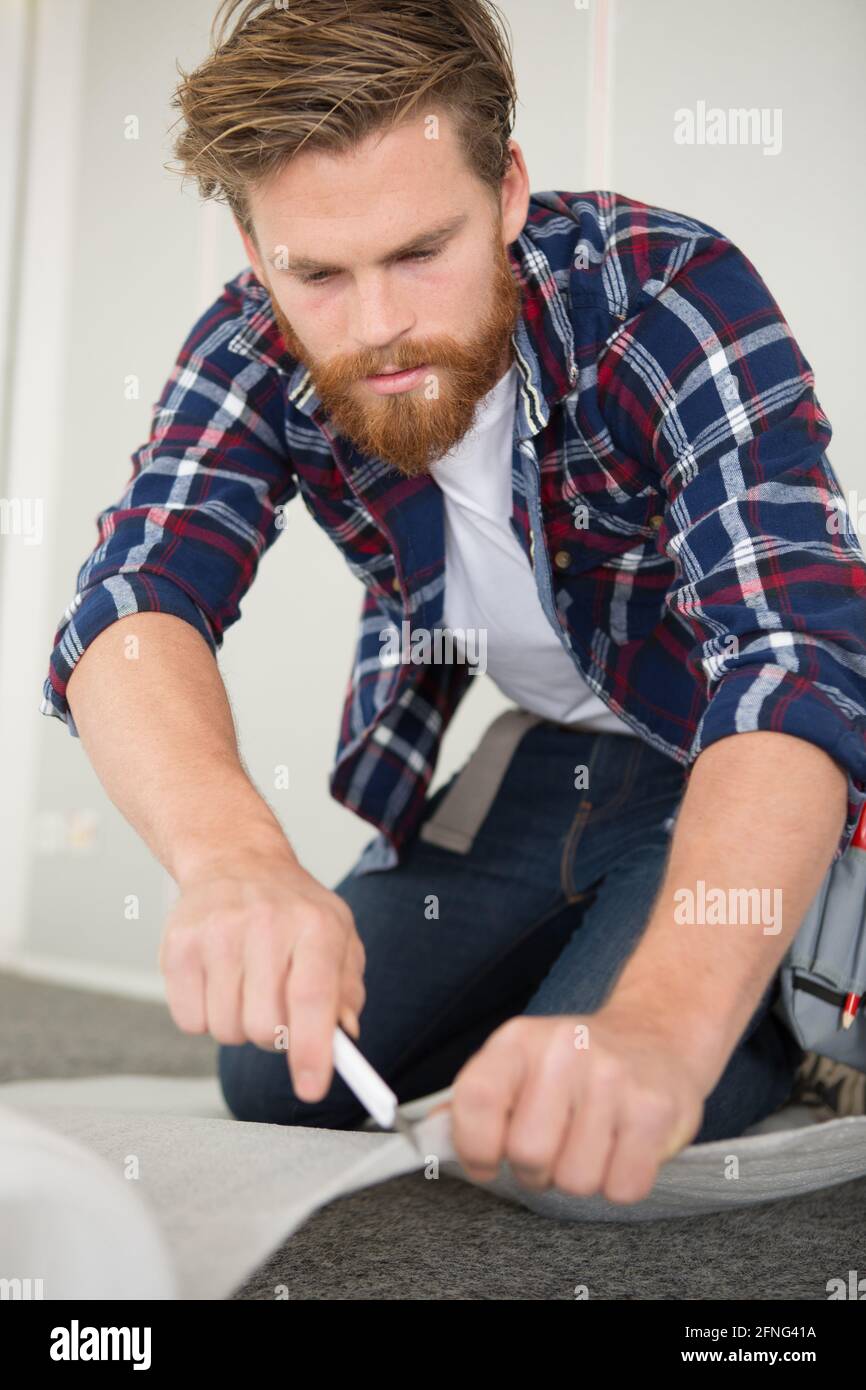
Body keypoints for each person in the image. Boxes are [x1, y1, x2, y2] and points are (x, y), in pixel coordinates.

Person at [42, 0, 866, 1205]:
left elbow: (795, 663)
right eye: (317, 271)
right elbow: (131, 598)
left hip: (719, 756)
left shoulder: (671, 296)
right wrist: (232, 858)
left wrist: (660, 1023)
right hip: (541, 764)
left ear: (510, 191)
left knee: (576, 1132)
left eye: (422, 251)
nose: (378, 327)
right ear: (253, 243)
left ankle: (783, 1004)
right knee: (282, 1074)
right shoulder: (251, 342)